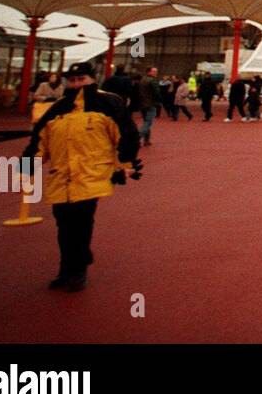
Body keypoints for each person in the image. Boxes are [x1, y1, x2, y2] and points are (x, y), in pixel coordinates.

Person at [24, 61, 141, 292]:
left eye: (82, 79)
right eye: (73, 80)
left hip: (91, 173)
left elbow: (126, 134)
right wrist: (27, 167)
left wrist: (126, 163)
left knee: (80, 221)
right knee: (62, 223)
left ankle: (76, 269)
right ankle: (69, 266)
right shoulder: (58, 107)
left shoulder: (108, 102)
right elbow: (39, 139)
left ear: (91, 79)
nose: (77, 84)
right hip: (61, 175)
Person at [134, 67, 161, 147]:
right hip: (151, 103)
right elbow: (157, 92)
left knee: (146, 121)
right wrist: (159, 101)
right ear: (149, 72)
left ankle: (147, 140)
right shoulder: (153, 81)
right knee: (148, 122)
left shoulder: (142, 80)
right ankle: (137, 138)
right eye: (154, 71)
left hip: (142, 104)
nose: (156, 73)